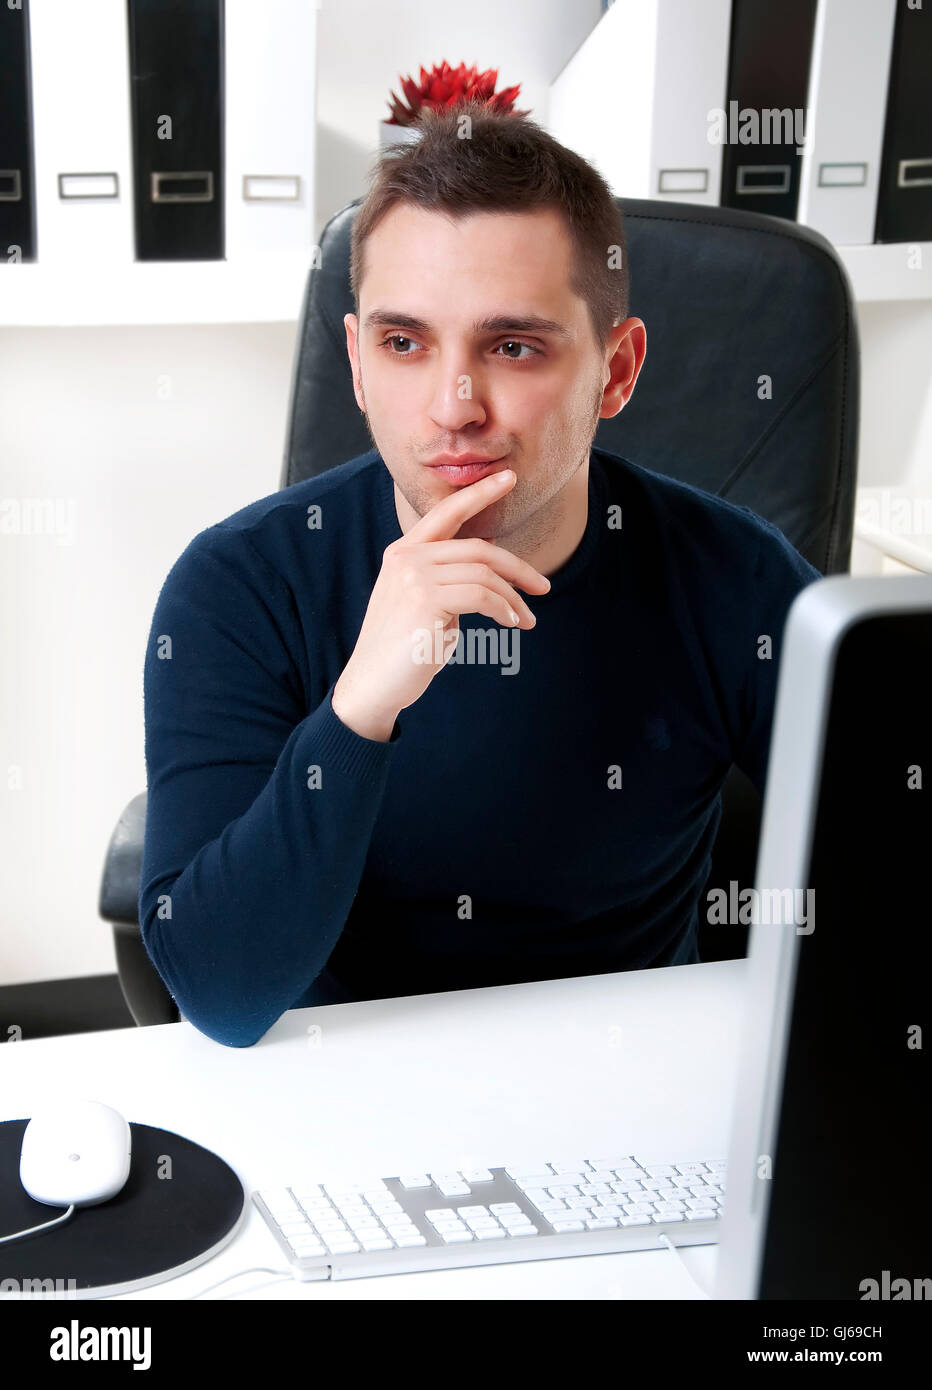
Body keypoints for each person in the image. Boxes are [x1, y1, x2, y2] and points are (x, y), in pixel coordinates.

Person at [139, 104, 821, 1048]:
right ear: (359, 363)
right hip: (346, 1083)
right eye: (405, 343)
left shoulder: (734, 576)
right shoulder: (238, 585)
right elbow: (220, 992)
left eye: (513, 346)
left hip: (634, 1077)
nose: (453, 406)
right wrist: (359, 710)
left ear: (615, 373)